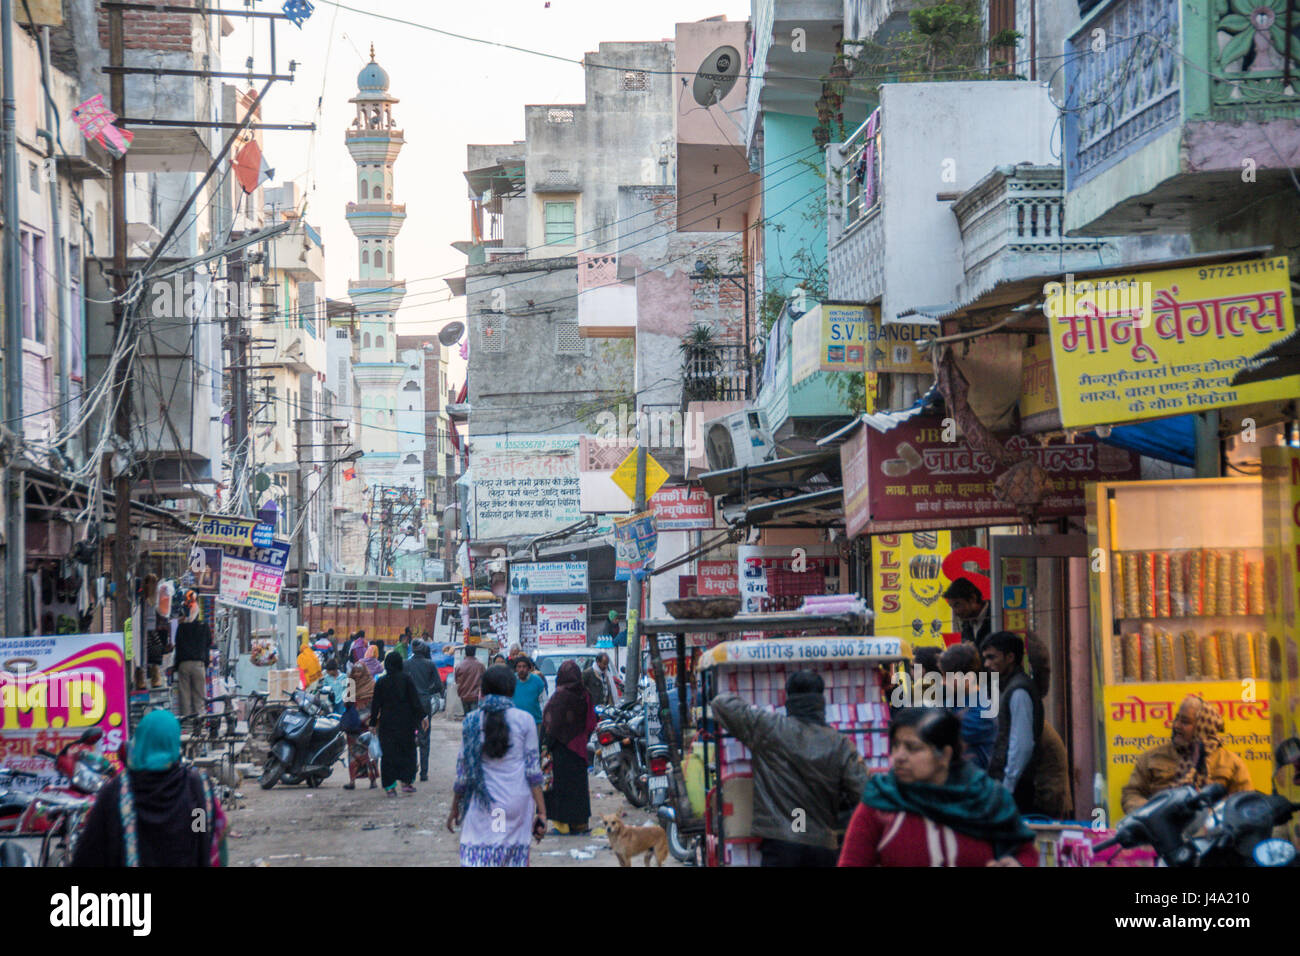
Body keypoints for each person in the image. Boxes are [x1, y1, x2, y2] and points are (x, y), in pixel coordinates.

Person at [838, 708, 1038, 867]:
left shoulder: (989, 799)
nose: (898, 757)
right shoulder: (880, 803)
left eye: (912, 748)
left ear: (945, 755)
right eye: (896, 746)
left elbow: (1026, 854)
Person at [712, 671, 868, 866]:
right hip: (822, 844)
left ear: (789, 700)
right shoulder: (840, 744)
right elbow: (863, 790)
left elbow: (721, 703)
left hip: (781, 843)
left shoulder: (769, 727)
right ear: (821, 701)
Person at [72, 709, 228, 866]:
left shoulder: (115, 793)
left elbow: (88, 855)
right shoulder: (196, 789)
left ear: (139, 741)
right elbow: (200, 834)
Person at [448, 665, 547, 866]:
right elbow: (532, 772)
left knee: (489, 854)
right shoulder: (525, 720)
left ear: (482, 690)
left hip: (487, 806)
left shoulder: (472, 721)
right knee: (506, 855)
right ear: (512, 690)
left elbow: (463, 773)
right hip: (513, 803)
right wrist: (542, 812)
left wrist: (455, 807)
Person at [1121, 695, 1253, 815]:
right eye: (1177, 719)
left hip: (1213, 835)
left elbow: (1245, 802)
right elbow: (1131, 793)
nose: (1176, 725)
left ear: (1202, 727)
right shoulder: (1151, 757)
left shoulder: (1231, 762)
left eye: (1185, 722)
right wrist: (1151, 812)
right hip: (1162, 832)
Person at [982, 631, 1043, 814]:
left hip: (1016, 786)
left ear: (1010, 657)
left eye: (992, 657)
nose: (987, 664)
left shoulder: (1019, 691)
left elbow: (1022, 744)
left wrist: (1008, 785)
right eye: (985, 658)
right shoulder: (1006, 686)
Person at [541, 660, 597, 835]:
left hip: (560, 749)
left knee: (560, 787)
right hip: (579, 748)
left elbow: (551, 723)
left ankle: (562, 825)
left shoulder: (559, 696)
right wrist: (582, 737)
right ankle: (580, 824)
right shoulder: (585, 694)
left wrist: (545, 745)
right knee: (578, 787)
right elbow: (591, 721)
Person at [370, 651, 428, 795]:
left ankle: (390, 788)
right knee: (407, 753)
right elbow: (415, 701)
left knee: (388, 755)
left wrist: (372, 723)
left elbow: (375, 704)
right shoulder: (407, 680)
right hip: (406, 724)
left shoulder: (381, 682)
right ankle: (406, 783)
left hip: (387, 724)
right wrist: (423, 717)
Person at [938, 642, 997, 770]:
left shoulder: (981, 712)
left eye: (946, 676)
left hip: (973, 786)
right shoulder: (953, 701)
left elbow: (937, 738)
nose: (942, 682)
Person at [405, 640, 445, 782]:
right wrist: (427, 691)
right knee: (424, 737)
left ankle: (410, 771)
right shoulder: (430, 664)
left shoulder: (406, 664)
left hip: (409, 704)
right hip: (424, 702)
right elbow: (439, 685)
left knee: (409, 737)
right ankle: (424, 773)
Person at [173, 592, 212, 717]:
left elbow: (177, 645)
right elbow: (209, 643)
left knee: (184, 696)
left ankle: (187, 723)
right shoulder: (204, 627)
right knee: (199, 696)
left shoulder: (181, 628)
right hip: (198, 665)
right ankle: (200, 722)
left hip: (183, 665)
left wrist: (175, 666)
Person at [343, 660, 378, 790]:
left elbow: (375, 704)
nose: (357, 674)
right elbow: (346, 702)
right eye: (355, 672)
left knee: (369, 753)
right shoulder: (350, 685)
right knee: (353, 753)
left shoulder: (371, 685)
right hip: (353, 726)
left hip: (367, 724)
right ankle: (352, 781)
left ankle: (372, 780)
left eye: (359, 672)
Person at [944, 577, 991, 650]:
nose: (956, 612)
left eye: (957, 605)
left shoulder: (997, 617)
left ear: (972, 599)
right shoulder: (967, 624)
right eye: (952, 607)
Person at [511, 656, 546, 730]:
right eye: (519, 667)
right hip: (516, 724)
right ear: (516, 668)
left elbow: (544, 701)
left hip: (535, 723)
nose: (521, 669)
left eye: (524, 666)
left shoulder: (537, 681)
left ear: (529, 668)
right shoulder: (511, 680)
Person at [455, 645, 486, 714]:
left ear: (465, 652)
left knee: (467, 716)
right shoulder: (480, 666)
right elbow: (485, 680)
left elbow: (456, 680)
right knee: (474, 717)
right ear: (475, 652)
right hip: (475, 695)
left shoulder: (459, 665)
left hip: (463, 694)